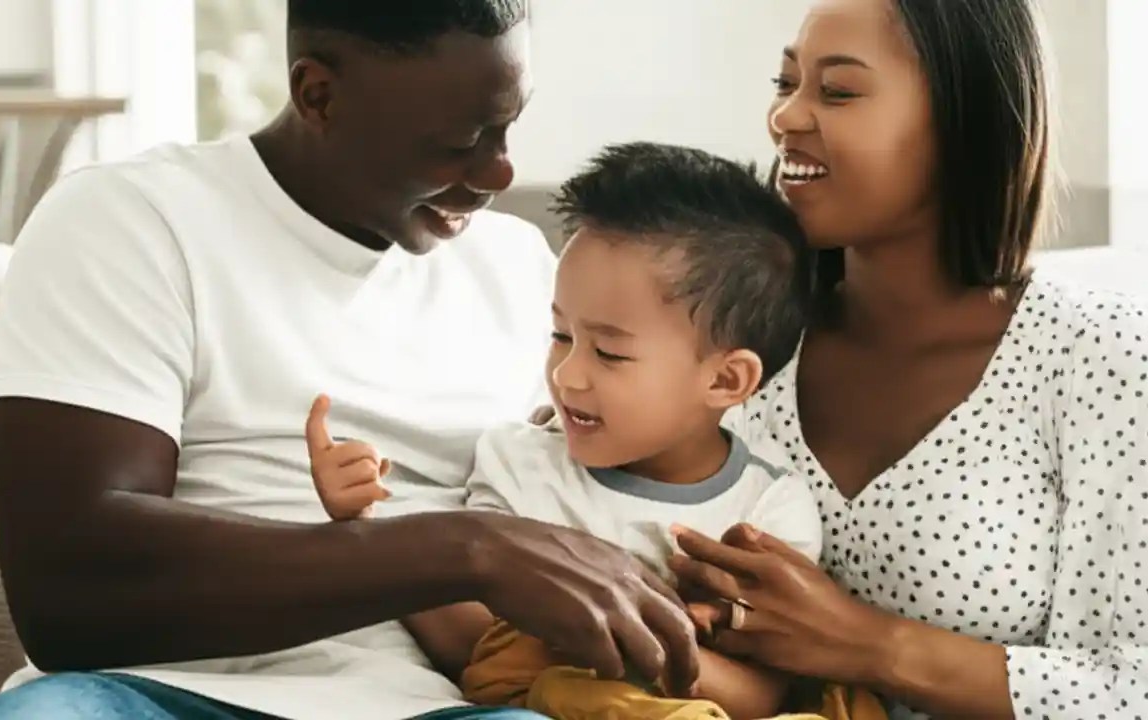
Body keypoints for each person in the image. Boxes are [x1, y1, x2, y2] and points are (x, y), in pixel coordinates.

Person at [0, 3, 700, 719]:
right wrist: (465, 549)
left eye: (507, 125)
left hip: (434, 709)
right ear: (318, 95)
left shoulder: (527, 272)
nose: (501, 172)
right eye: (459, 141)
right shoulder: (132, 220)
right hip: (145, 695)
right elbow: (69, 593)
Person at [669, 0, 1148, 718]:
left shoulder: (1101, 353)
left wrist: (868, 645)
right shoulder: (736, 341)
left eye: (837, 91)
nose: (785, 116)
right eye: (786, 84)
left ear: (967, 120)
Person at [311, 142, 889, 720]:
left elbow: (759, 697)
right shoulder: (522, 464)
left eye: (610, 353)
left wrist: (639, 638)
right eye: (560, 335)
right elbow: (478, 653)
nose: (567, 375)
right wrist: (365, 528)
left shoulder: (767, 512)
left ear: (725, 379)